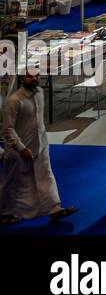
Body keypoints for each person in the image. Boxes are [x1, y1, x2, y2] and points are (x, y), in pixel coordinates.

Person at [0, 73, 76, 225]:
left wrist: (43, 142)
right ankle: (4, 213)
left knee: (46, 177)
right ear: (21, 79)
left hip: (41, 146)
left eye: (36, 76)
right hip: (18, 151)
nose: (34, 79)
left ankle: (55, 209)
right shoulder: (13, 101)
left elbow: (39, 122)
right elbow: (8, 129)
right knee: (13, 182)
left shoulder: (40, 93)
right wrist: (21, 148)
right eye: (29, 77)